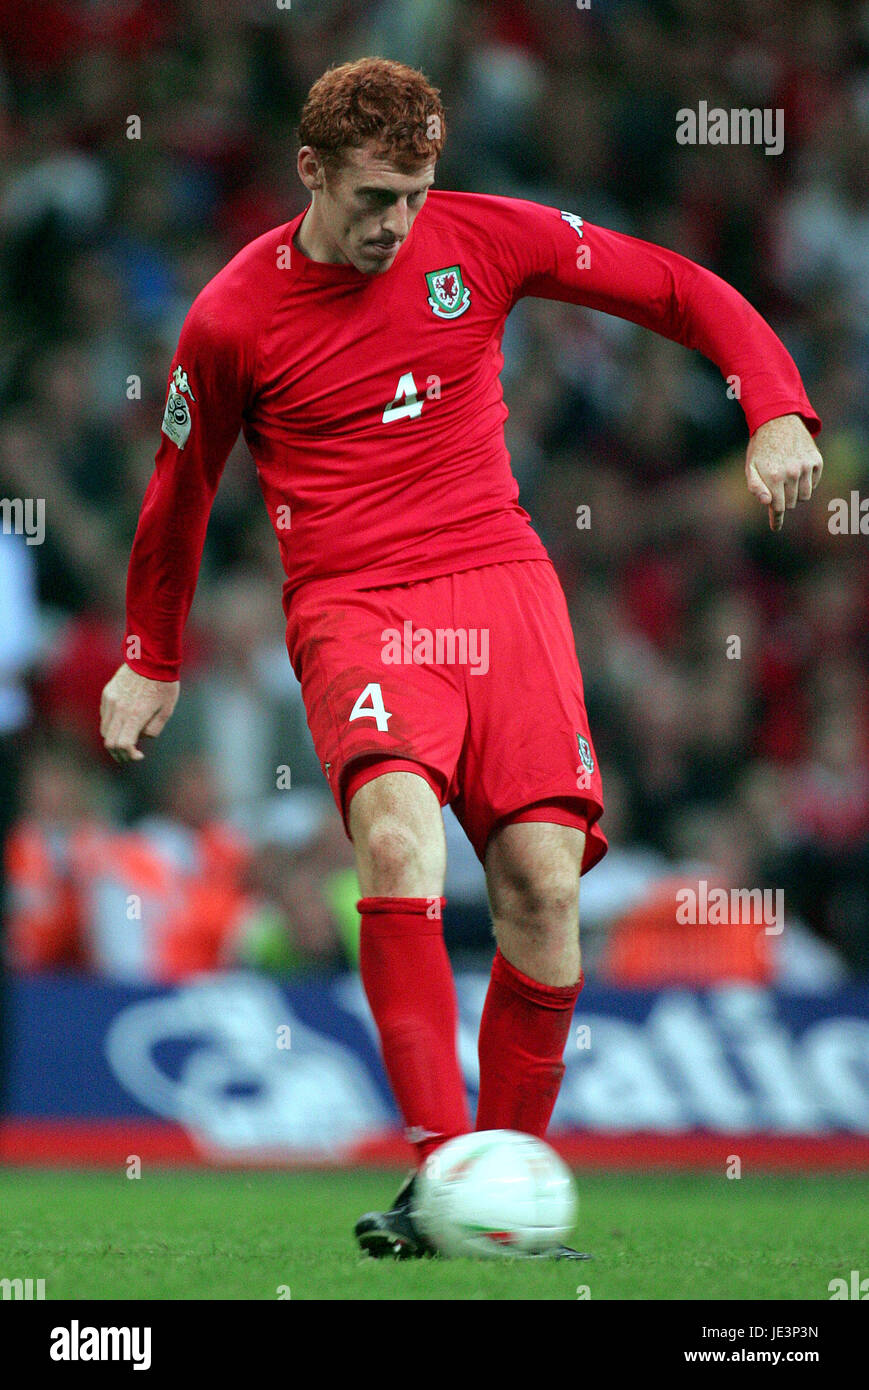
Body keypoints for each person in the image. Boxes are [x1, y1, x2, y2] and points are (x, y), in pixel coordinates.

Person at [100, 57, 823, 1259]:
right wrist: (150, 655)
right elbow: (180, 494)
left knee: (542, 883)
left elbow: (675, 286)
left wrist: (773, 401)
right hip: (353, 600)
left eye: (416, 192)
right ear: (311, 170)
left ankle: (505, 1189)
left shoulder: (479, 239)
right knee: (395, 833)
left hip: (502, 583)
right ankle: (442, 1169)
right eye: (375, 194)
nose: (397, 222)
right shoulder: (231, 314)